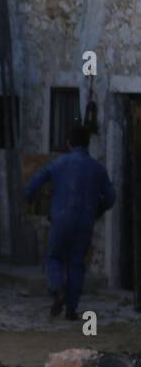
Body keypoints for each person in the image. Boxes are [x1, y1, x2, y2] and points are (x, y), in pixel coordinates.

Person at [24, 122, 116, 320]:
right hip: (85, 221)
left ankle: (57, 289)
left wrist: (30, 198)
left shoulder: (58, 163)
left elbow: (34, 183)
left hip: (61, 219)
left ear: (68, 143)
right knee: (76, 263)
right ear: (88, 143)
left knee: (54, 257)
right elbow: (110, 197)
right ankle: (71, 309)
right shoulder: (98, 168)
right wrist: (97, 210)